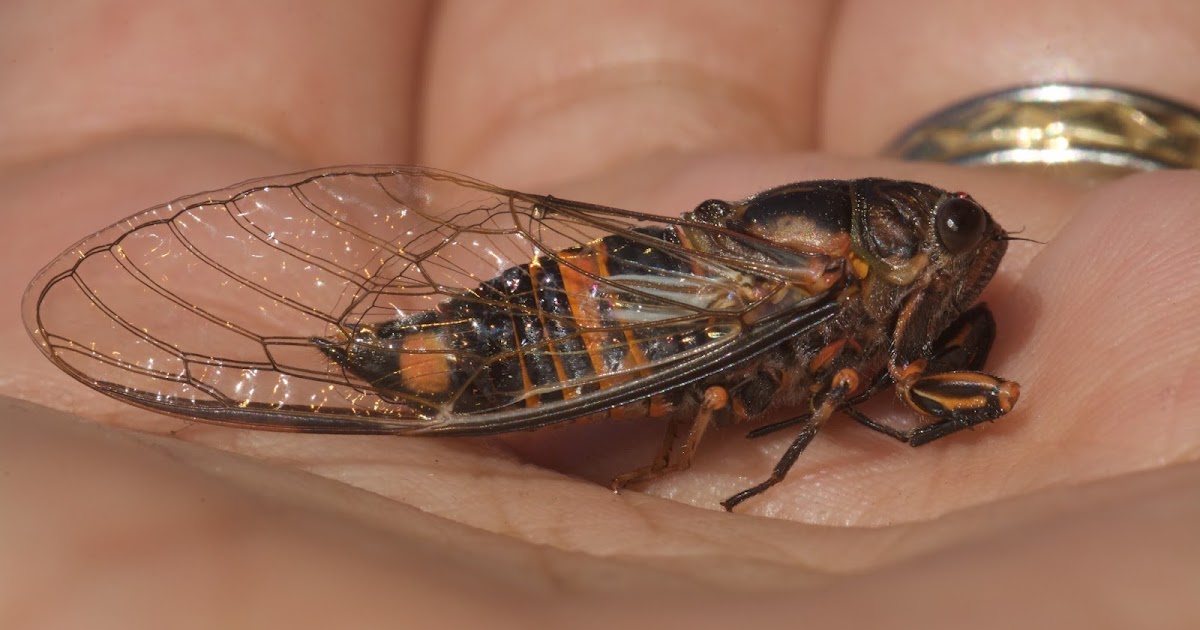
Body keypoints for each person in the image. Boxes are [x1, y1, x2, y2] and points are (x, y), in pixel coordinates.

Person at [1, 2, 1197, 627]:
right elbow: (736, 390)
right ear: (881, 245)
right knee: (712, 376)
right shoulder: (823, 287)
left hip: (646, 282)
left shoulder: (872, 297)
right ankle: (407, 362)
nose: (962, 268)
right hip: (560, 343)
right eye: (942, 239)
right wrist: (710, 473)